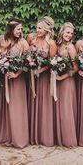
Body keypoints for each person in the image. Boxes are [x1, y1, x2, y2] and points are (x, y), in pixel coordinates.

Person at [0, 18, 29, 148]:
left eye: (21, 29)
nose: (20, 31)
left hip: (17, 80)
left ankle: (18, 137)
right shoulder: (2, 40)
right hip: (5, 79)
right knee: (5, 106)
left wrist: (16, 74)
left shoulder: (23, 42)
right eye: (18, 29)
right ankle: (6, 136)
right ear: (11, 29)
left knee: (17, 107)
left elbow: (27, 62)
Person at [26, 16, 57, 146]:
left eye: (40, 28)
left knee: (43, 104)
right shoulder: (31, 38)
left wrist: (41, 70)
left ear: (47, 30)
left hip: (43, 78)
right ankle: (30, 135)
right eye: (37, 27)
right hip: (31, 76)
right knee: (31, 102)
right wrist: (29, 61)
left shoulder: (51, 43)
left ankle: (43, 135)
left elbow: (52, 63)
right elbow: (26, 54)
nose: (37, 30)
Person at [55, 22, 78, 147]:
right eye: (67, 32)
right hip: (57, 81)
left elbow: (75, 68)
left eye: (71, 33)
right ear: (62, 31)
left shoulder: (70, 47)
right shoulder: (58, 45)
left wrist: (62, 77)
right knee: (58, 109)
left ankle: (68, 139)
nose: (69, 35)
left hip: (67, 82)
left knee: (66, 109)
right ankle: (59, 137)